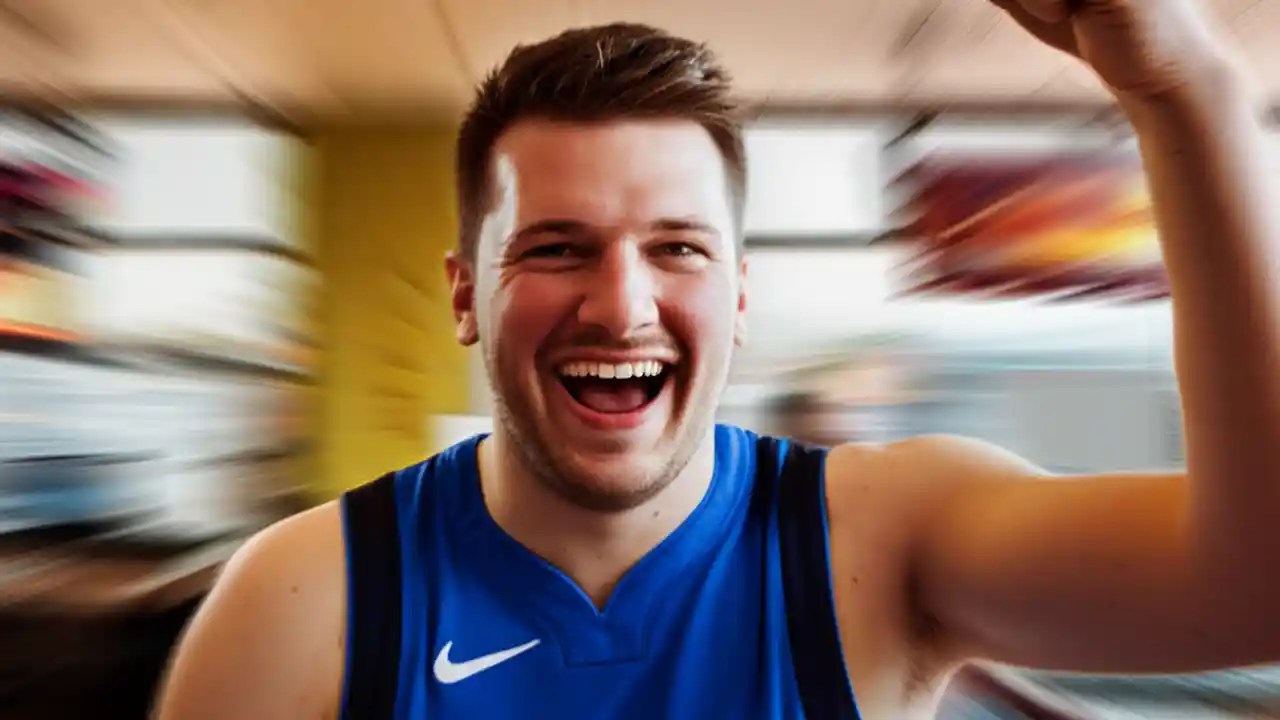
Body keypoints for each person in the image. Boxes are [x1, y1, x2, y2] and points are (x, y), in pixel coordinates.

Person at [153, 1, 1280, 718]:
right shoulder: (304, 599)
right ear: (464, 294)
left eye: (676, 249)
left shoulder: (882, 544)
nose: (620, 303)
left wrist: (1187, 95)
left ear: (737, 299)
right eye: (556, 249)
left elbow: (1254, 589)